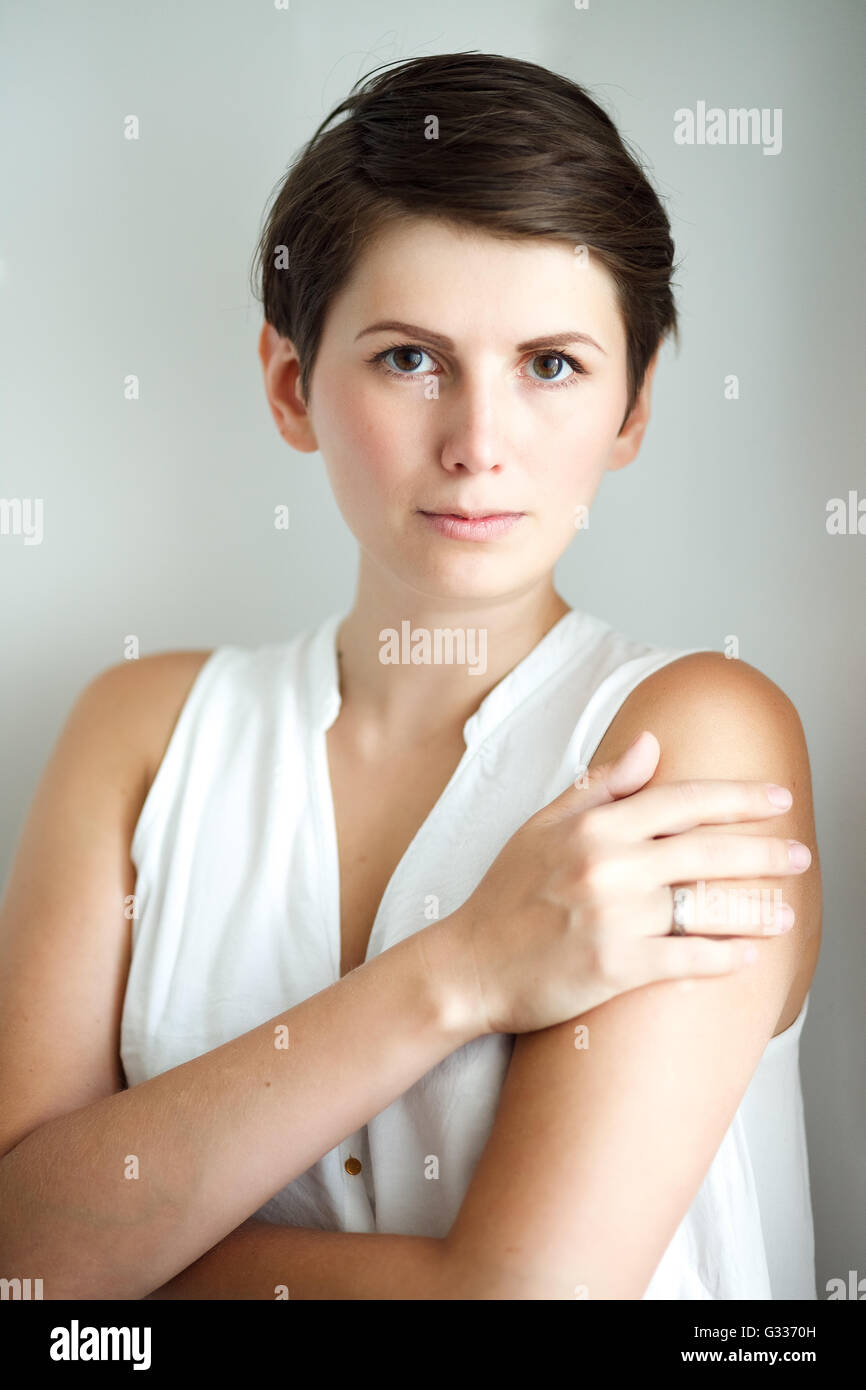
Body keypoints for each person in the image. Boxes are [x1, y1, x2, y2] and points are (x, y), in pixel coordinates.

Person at [0, 52, 820, 1300]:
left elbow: (522, 1305)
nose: (476, 445)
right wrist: (463, 972)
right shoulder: (141, 731)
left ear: (633, 408)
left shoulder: (696, 733)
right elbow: (17, 1255)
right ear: (292, 385)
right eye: (407, 359)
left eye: (550, 365)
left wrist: (123, 1253)